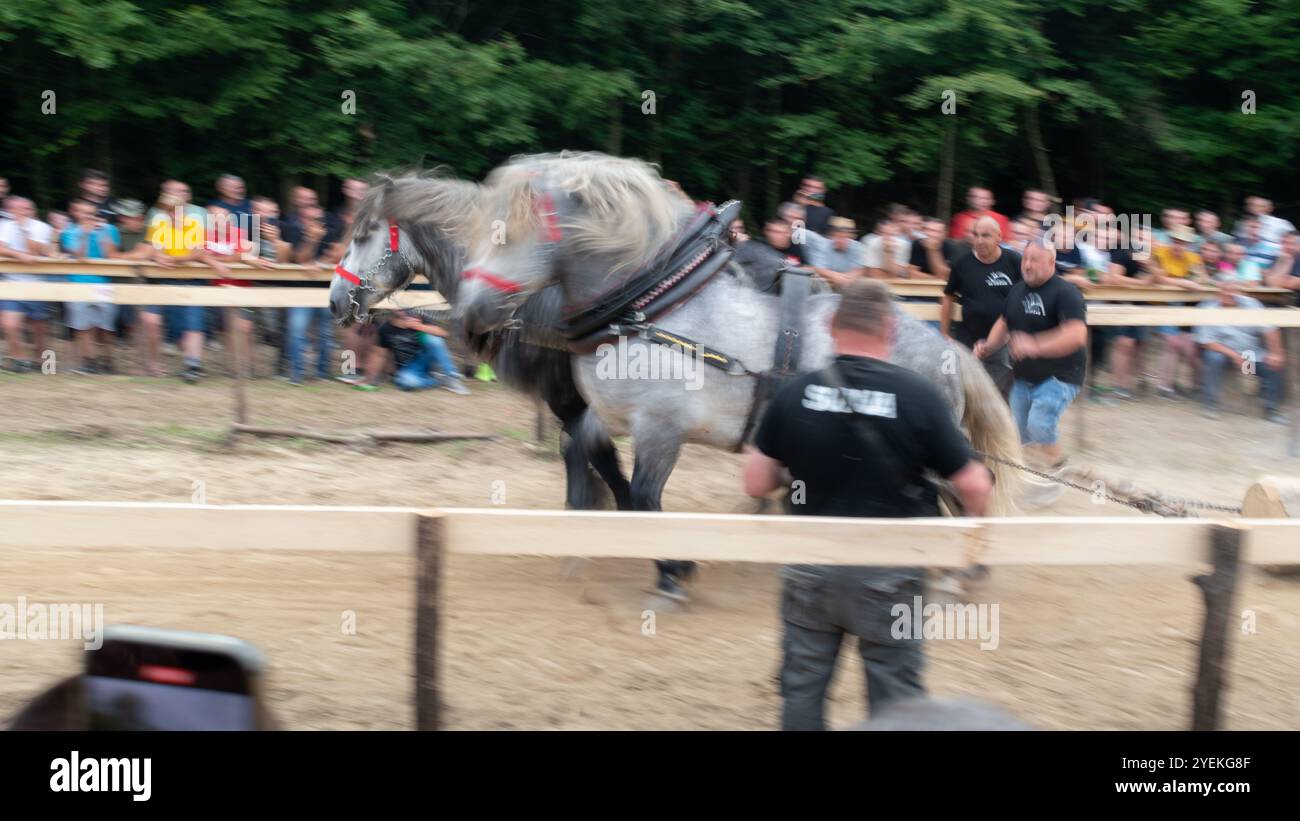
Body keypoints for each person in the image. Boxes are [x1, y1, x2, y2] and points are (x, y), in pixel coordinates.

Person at [743, 279, 992, 731]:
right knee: (897, 700)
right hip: (891, 573)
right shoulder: (919, 396)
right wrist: (967, 538)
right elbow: (974, 485)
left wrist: (793, 469)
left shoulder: (792, 393)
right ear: (891, 329)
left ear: (830, 325)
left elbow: (756, 482)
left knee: (802, 688)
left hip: (810, 569)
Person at [977, 240, 1087, 486]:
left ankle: (1058, 473)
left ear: (1051, 262)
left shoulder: (1066, 292)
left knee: (1040, 423)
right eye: (1025, 259)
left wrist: (1035, 345)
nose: (1027, 265)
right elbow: (1004, 322)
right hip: (1024, 377)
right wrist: (989, 345)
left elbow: (1076, 335)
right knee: (1020, 432)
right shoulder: (1017, 290)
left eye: (1034, 260)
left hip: (1060, 376)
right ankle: (1034, 475)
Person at [941, 216, 1021, 395]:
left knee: (1001, 394)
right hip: (969, 338)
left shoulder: (1014, 261)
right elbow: (948, 297)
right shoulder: (962, 263)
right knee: (963, 390)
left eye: (985, 236)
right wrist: (945, 333)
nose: (979, 241)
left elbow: (1026, 297)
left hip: (1005, 340)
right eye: (976, 235)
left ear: (999, 237)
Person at [1196, 277, 1286, 423]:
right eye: (1225, 290)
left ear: (1239, 291)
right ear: (1219, 292)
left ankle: (1271, 410)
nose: (1230, 294)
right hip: (1224, 353)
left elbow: (1270, 329)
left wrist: (1276, 353)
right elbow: (1207, 342)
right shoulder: (1209, 308)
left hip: (1249, 354)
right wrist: (1234, 356)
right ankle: (1211, 404)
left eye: (1233, 290)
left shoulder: (1251, 304)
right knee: (1214, 358)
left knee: (1273, 365)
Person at [61, 198, 121, 373]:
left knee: (106, 328)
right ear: (75, 213)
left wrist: (102, 233)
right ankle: (89, 362)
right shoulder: (70, 231)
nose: (88, 216)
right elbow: (79, 255)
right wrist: (86, 234)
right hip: (78, 284)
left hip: (103, 284)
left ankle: (109, 360)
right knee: (83, 327)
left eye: (91, 213)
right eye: (83, 213)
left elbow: (110, 254)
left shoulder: (109, 229)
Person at [0, 195, 54, 371]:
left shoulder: (42, 227)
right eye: (16, 209)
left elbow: (34, 252)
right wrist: (18, 254)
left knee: (39, 328)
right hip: (12, 282)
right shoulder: (5, 226)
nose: (20, 213)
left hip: (38, 283)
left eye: (25, 209)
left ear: (32, 211)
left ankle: (42, 362)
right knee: (9, 324)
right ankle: (19, 360)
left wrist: (24, 230)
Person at [365, 311, 470, 393]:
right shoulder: (386, 329)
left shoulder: (420, 317)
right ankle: (439, 380)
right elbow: (378, 355)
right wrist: (370, 379)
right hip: (407, 370)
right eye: (396, 305)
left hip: (424, 359)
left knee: (434, 339)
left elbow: (443, 334)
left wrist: (419, 326)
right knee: (406, 382)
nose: (401, 308)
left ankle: (451, 376)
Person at [808, 216, 865, 290]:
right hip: (826, 282)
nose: (842, 240)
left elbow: (859, 270)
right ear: (832, 235)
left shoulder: (857, 247)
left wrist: (846, 279)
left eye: (846, 237)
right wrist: (835, 276)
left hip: (848, 284)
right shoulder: (822, 245)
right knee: (815, 280)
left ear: (852, 237)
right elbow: (818, 269)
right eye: (839, 236)